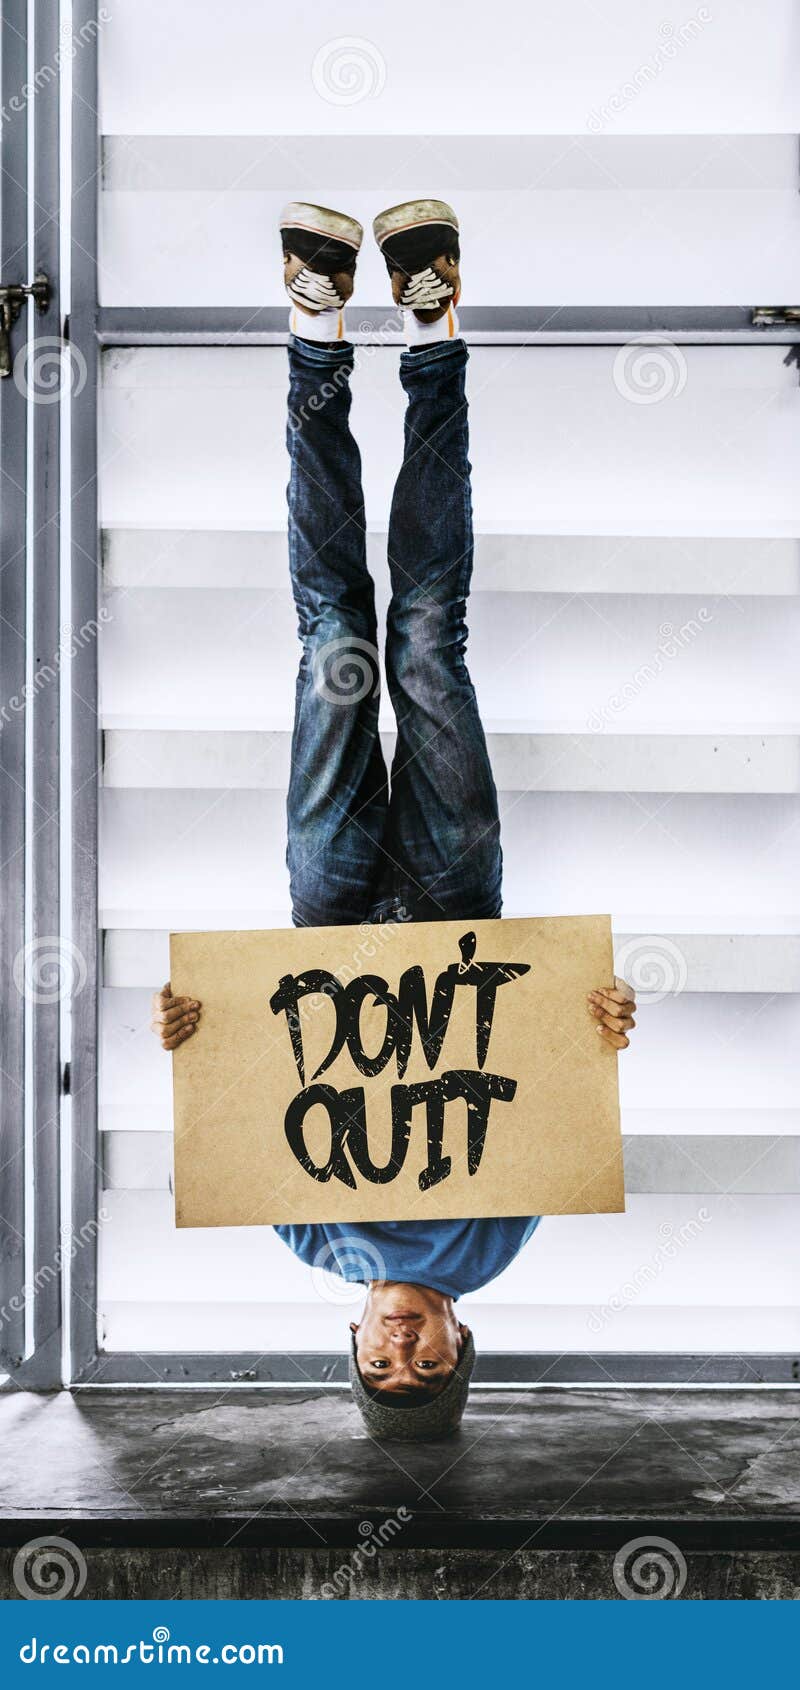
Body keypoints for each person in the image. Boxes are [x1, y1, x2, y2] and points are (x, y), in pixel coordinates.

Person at [149, 199, 638, 1442]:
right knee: (422, 635)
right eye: (429, 1368)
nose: (403, 1350)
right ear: (463, 1344)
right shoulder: (497, 1240)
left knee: (332, 637)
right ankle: (434, 331)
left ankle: (313, 332)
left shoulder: (309, 1236)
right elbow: (545, 1075)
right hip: (457, 896)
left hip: (328, 910)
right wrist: (603, 1023)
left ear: (353, 1349)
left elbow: (245, 1082)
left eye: (382, 1370)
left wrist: (187, 1031)